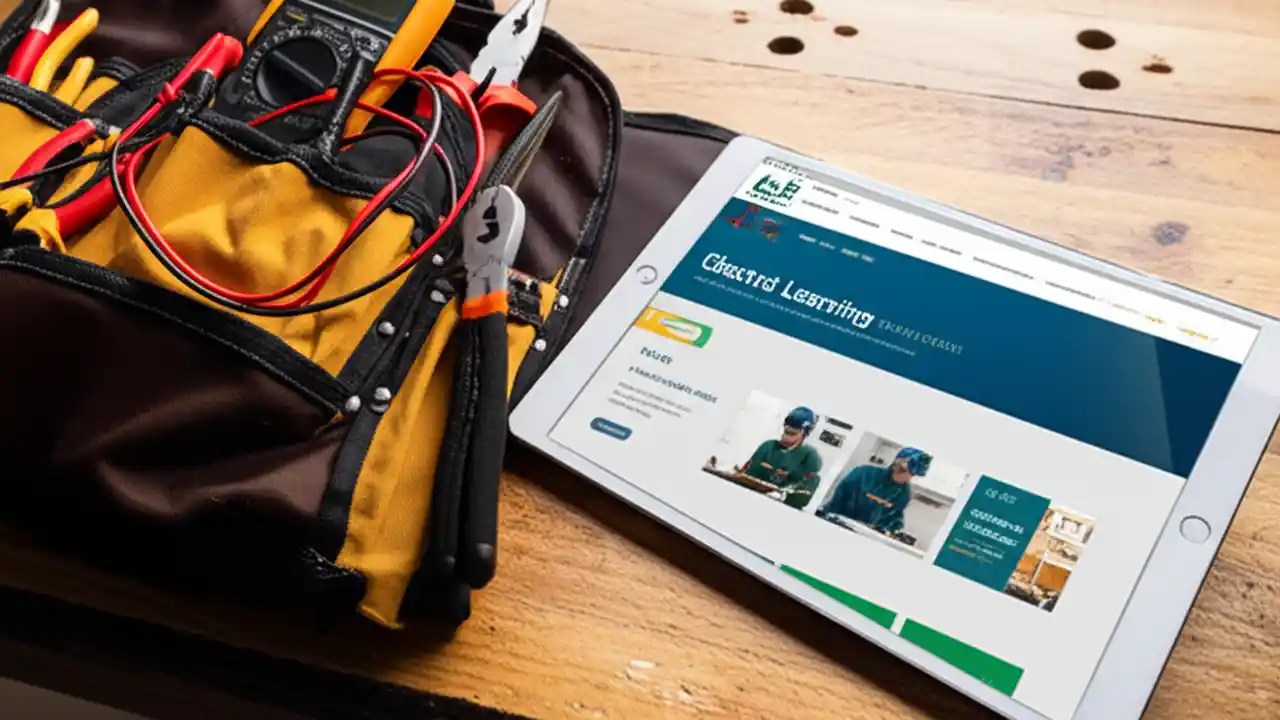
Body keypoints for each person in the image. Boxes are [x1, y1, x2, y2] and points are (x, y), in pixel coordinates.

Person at [819, 447, 933, 534]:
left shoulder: (904, 494)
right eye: (906, 472)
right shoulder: (862, 474)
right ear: (896, 465)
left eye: (912, 475)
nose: (907, 478)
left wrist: (892, 532)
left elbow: (892, 520)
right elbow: (837, 502)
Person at [739, 407, 823, 509]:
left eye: (793, 433)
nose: (786, 437)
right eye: (786, 431)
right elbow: (747, 473)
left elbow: (803, 495)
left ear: (805, 433)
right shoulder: (768, 446)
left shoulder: (810, 456)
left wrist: (780, 492)